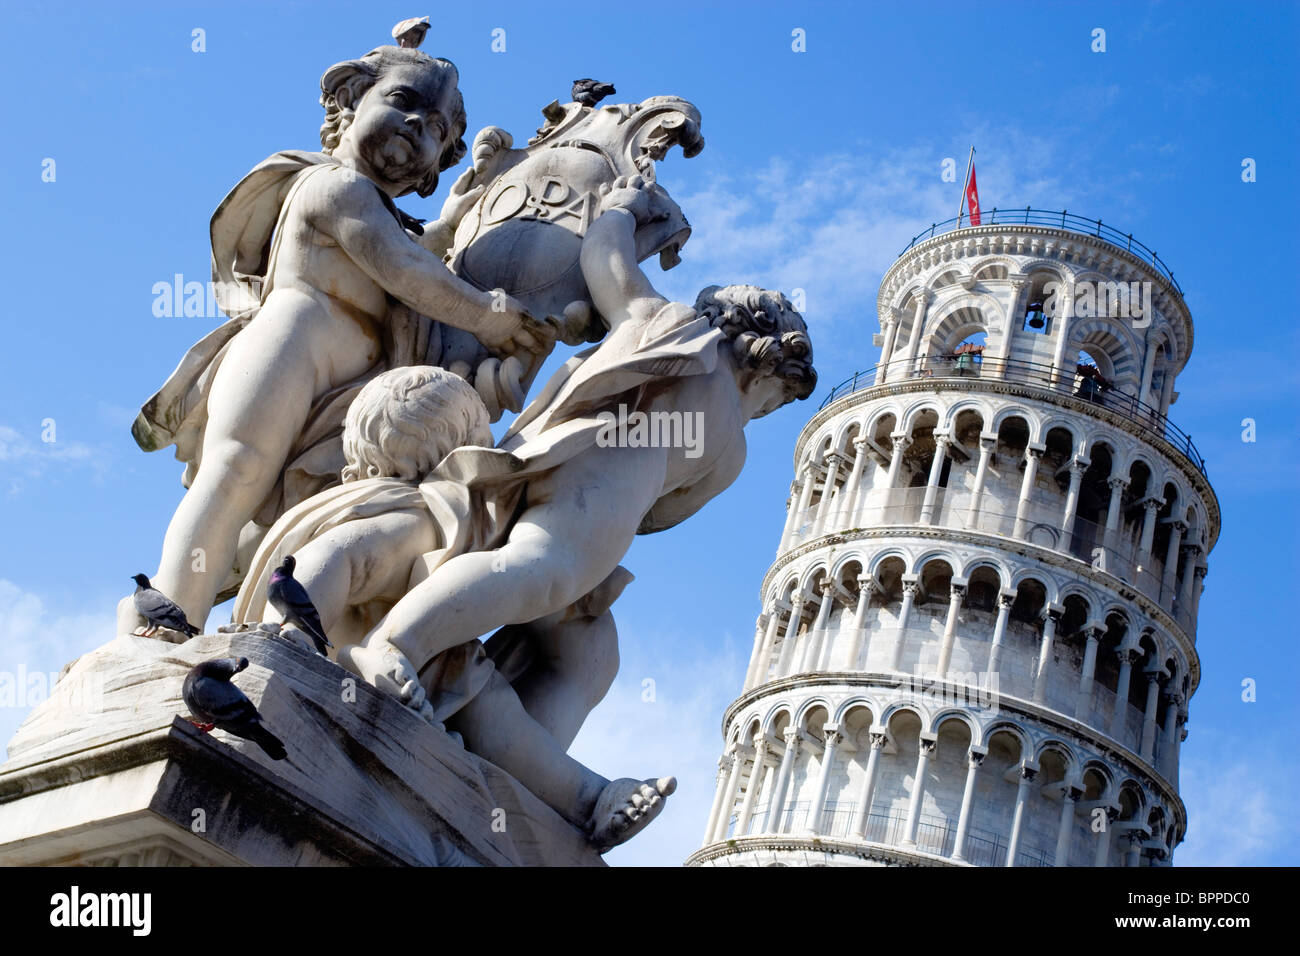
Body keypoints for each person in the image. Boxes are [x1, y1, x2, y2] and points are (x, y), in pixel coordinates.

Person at [340, 175, 817, 710]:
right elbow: (663, 512)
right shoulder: (723, 424)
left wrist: (622, 210)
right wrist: (621, 206)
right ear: (767, 367)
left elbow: (608, 263)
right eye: (773, 403)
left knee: (582, 641)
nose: (766, 412)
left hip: (563, 454)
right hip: (611, 489)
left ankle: (499, 744)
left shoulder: (674, 330)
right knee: (540, 570)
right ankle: (394, 644)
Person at [129, 45, 551, 633]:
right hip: (289, 347)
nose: (415, 125)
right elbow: (405, 271)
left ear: (432, 166)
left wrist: (451, 225)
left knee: (310, 509)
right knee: (235, 472)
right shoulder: (335, 188)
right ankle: (166, 620)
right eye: (403, 102)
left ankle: (273, 631)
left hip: (347, 392)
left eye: (434, 129)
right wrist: (488, 315)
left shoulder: (384, 218)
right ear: (351, 101)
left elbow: (411, 254)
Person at [233, 364, 670, 850]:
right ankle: (334, 650)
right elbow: (333, 560)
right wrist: (291, 632)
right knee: (494, 712)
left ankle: (588, 798)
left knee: (495, 714)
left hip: (426, 662)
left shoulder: (441, 521)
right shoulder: (407, 511)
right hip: (350, 649)